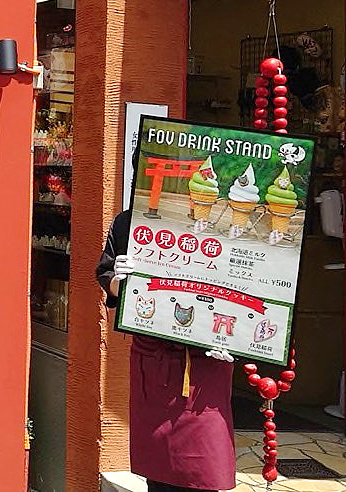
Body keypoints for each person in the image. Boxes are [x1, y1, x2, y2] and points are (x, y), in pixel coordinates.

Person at [98, 210, 236, 492]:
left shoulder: (224, 222)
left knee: (204, 469)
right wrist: (117, 282)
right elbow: (107, 278)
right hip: (154, 360)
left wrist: (238, 341)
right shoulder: (129, 222)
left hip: (206, 363)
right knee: (159, 473)